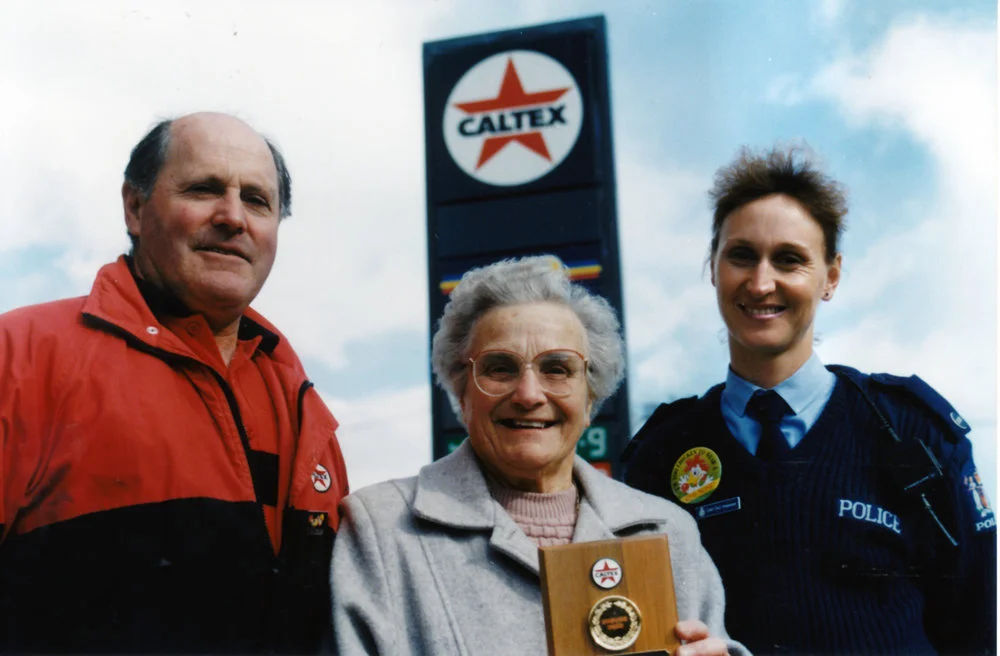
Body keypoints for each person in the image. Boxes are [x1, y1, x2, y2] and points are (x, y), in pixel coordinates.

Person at [623, 145, 997, 655]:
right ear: (713, 268)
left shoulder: (914, 435)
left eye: (789, 260)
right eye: (741, 255)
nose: (761, 282)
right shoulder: (661, 453)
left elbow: (973, 628)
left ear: (831, 277)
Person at [0, 112, 348, 653]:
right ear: (135, 208)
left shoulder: (304, 410)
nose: (233, 217)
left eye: (257, 200)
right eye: (204, 189)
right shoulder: (20, 355)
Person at [331, 255, 747, 656]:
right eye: (500, 368)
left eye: (557, 369)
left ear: (590, 398)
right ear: (461, 393)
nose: (529, 395)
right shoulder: (381, 529)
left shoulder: (668, 531)